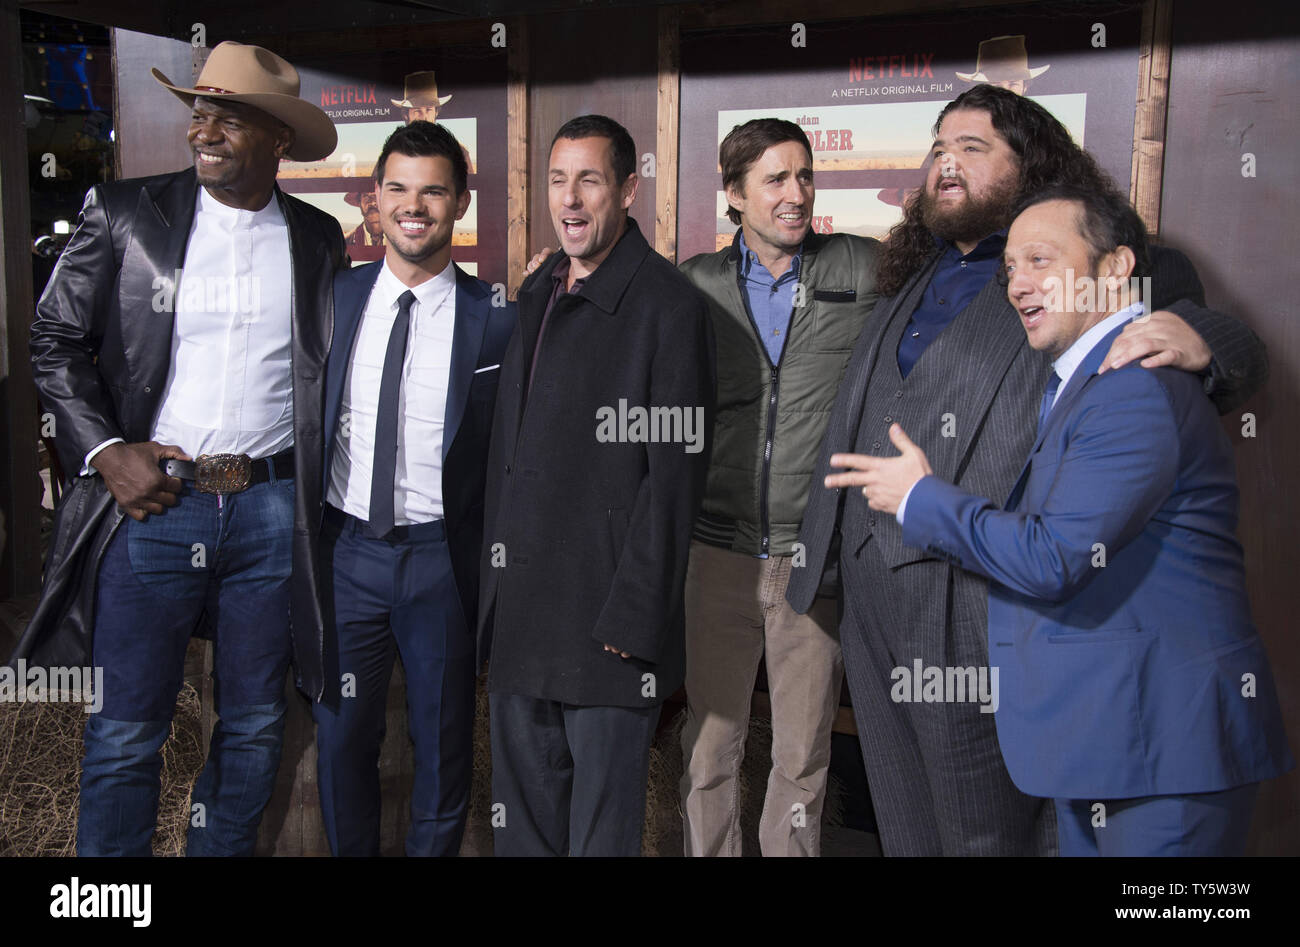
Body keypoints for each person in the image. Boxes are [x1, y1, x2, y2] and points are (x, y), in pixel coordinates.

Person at [787, 84, 1269, 856]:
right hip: (869, 596)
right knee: (904, 824)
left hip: (976, 602)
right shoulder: (909, 269)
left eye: (973, 149)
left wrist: (1201, 334)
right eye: (939, 148)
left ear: (1034, 165)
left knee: (983, 832)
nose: (947, 163)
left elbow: (1200, 336)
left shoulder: (1084, 270)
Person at [21, 41, 345, 856]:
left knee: (255, 730)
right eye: (199, 112)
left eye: (227, 118)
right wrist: (106, 451)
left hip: (273, 510)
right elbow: (53, 337)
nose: (203, 130)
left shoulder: (318, 239)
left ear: (276, 139)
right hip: (155, 503)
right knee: (128, 731)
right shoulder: (126, 213)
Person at [478, 114, 713, 856]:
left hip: (608, 635)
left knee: (601, 841)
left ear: (629, 188)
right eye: (556, 179)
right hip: (523, 624)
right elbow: (510, 459)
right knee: (524, 834)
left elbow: (674, 486)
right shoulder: (536, 291)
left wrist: (633, 621)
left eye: (589, 179)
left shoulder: (671, 309)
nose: (570, 199)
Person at [676, 118, 880, 856]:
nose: (796, 194)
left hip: (811, 556)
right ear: (734, 193)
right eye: (774, 179)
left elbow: (966, 292)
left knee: (802, 756)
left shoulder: (861, 268)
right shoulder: (694, 283)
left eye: (804, 176)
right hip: (716, 549)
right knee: (708, 749)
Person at [311, 121, 514, 856]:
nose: (414, 205)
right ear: (375, 200)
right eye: (398, 187)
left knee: (442, 751)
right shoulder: (333, 299)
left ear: (459, 203)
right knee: (340, 746)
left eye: (433, 190)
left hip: (441, 564)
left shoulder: (497, 321)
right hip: (346, 555)